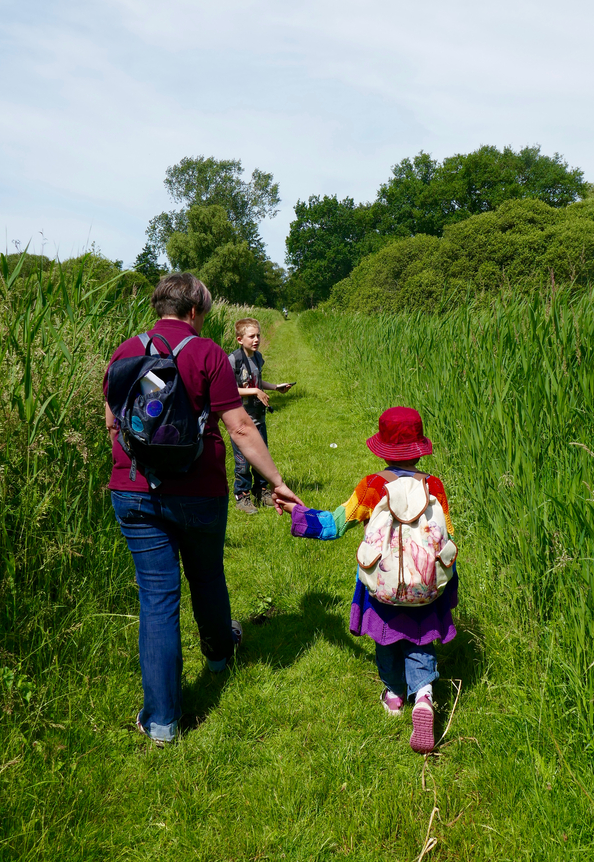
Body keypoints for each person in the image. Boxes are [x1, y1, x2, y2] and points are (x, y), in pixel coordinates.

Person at [104, 274, 300, 746]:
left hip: (134, 490)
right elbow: (240, 428)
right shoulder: (207, 353)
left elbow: (112, 423)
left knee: (157, 599)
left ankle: (161, 722)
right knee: (207, 576)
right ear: (194, 310)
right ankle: (217, 658)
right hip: (200, 491)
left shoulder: (125, 350)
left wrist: (138, 471)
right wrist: (277, 482)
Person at [275, 406, 458, 754]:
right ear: (419, 449)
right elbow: (446, 535)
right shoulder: (434, 485)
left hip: (382, 585)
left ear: (382, 450)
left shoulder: (372, 486)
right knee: (420, 638)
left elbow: (334, 525)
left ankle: (394, 695)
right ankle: (424, 696)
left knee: (386, 637)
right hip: (425, 586)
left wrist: (296, 512)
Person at [229, 317, 293, 515]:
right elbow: (229, 389)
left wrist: (275, 387)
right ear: (240, 339)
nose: (256, 339)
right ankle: (242, 495)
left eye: (258, 335)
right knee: (243, 461)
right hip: (241, 420)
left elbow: (257, 381)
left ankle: (261, 490)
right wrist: (255, 392)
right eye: (251, 336)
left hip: (259, 417)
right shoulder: (234, 360)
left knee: (261, 455)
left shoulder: (257, 357)